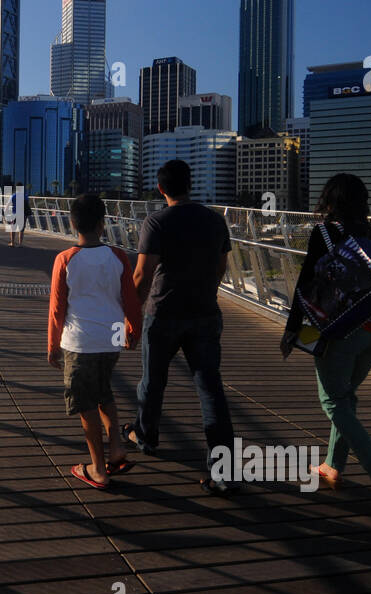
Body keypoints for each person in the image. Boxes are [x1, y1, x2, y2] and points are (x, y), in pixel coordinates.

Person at [281, 172, 371, 519]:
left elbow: (307, 287)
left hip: (337, 331)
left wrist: (291, 332)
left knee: (332, 401)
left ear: (331, 203)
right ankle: (333, 466)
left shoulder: (324, 233)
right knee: (346, 397)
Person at [125, 159, 237, 495]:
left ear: (161, 188)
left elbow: (143, 276)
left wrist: (131, 316)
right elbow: (221, 267)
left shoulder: (156, 222)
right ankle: (223, 471)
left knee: (153, 380)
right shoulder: (215, 221)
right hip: (205, 313)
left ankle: (146, 436)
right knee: (210, 389)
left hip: (164, 313)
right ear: (191, 185)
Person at [48, 194, 142, 489]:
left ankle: (98, 470)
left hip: (80, 343)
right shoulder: (118, 257)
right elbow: (131, 301)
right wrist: (132, 333)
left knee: (86, 405)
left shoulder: (65, 259)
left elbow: (57, 309)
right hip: (111, 339)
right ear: (103, 225)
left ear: (72, 223)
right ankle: (116, 449)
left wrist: (52, 346)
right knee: (104, 393)